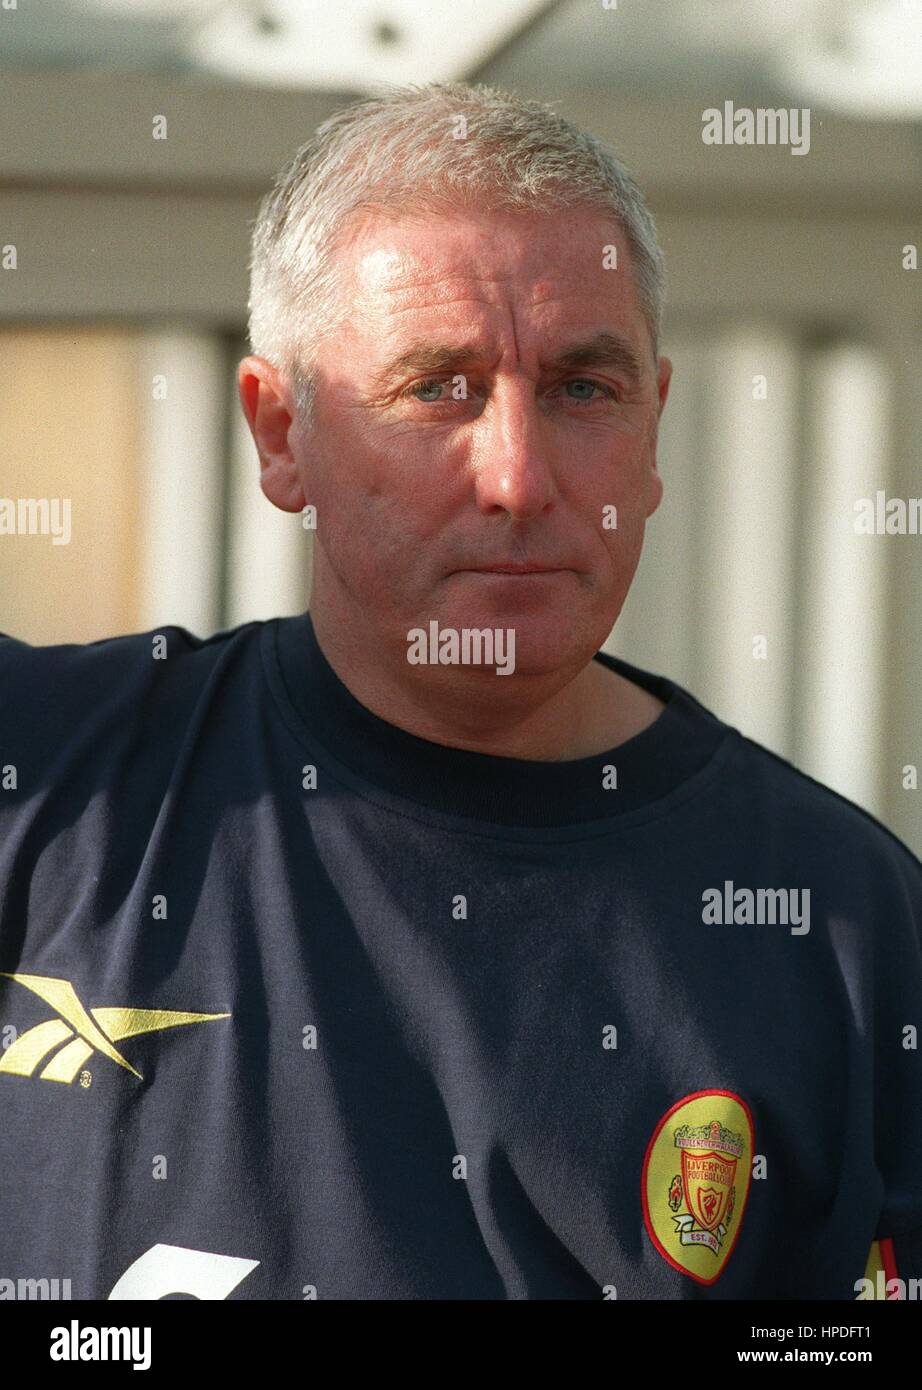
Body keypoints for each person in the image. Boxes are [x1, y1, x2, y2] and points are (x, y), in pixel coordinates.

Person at [0, 81, 918, 1302]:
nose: (518, 475)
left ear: (654, 429)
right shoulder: (50, 784)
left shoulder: (843, 927)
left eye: (584, 388)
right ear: (281, 435)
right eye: (440, 388)